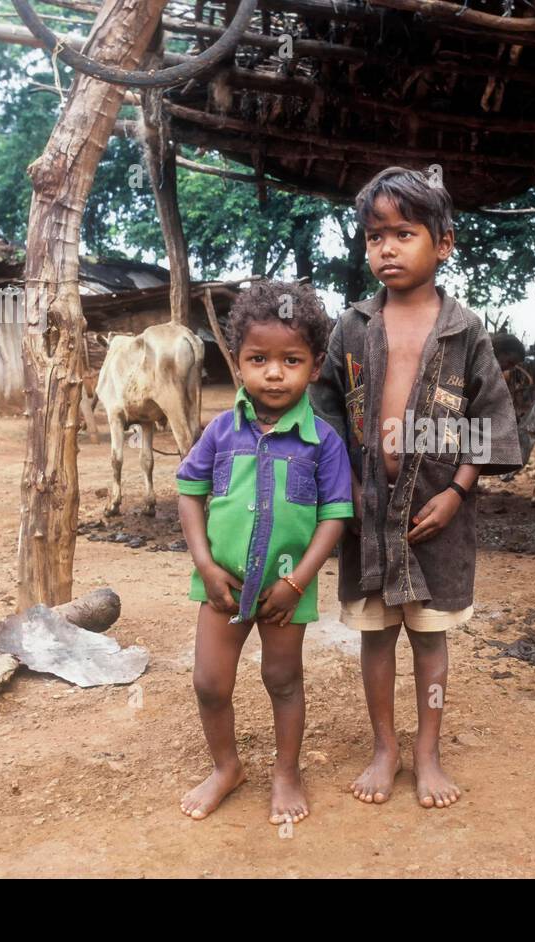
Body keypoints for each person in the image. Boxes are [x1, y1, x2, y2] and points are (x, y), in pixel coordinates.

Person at [310, 166, 524, 809]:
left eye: (404, 233)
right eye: (375, 236)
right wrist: (341, 483)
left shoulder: (465, 331)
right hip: (367, 513)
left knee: (430, 639)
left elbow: (493, 421)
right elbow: (321, 410)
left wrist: (457, 491)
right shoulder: (351, 327)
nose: (387, 249)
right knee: (375, 636)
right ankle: (385, 749)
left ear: (445, 243)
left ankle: (427, 754)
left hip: (439, 516)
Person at [176, 280, 354, 825]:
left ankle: (286, 772)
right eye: (258, 359)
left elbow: (336, 516)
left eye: (290, 360)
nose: (274, 372)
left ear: (315, 365)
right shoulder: (219, 432)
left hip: (286, 590)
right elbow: (188, 492)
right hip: (222, 586)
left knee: (283, 680)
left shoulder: (323, 441)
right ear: (237, 362)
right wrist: (205, 565)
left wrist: (298, 580)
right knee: (209, 682)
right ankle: (226, 768)